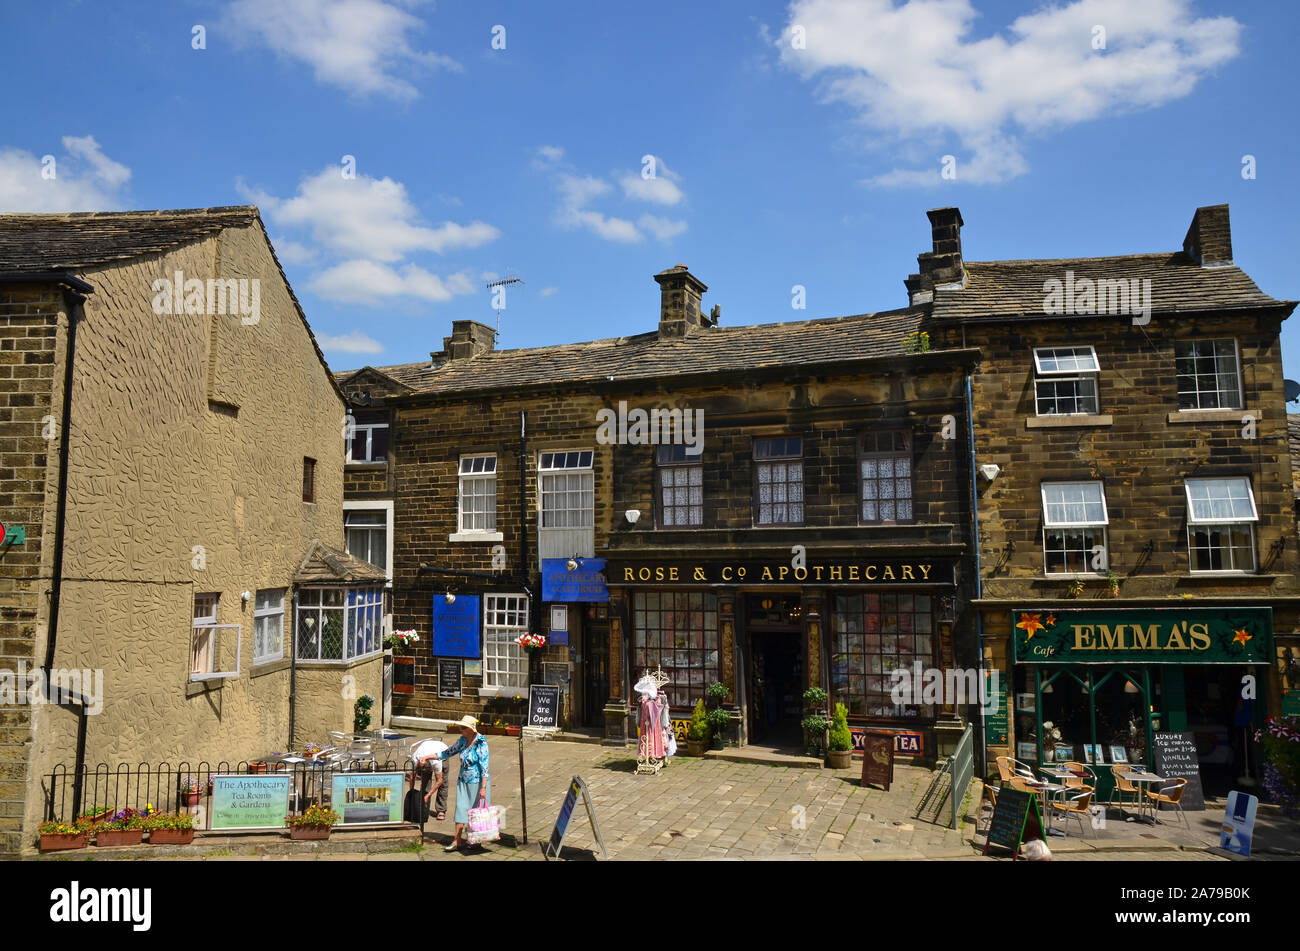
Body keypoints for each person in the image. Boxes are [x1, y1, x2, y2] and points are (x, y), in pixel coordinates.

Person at [439, 714, 491, 852]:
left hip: (478, 783)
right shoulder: (462, 740)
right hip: (463, 781)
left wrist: (483, 788)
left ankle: (476, 840)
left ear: (471, 729)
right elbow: (448, 752)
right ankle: (457, 840)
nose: (460, 730)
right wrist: (429, 756)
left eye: (463, 728)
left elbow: (485, 767)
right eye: (460, 727)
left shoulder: (481, 742)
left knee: (476, 812)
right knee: (460, 809)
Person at [409, 736, 449, 821]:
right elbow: (412, 777)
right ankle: (423, 808)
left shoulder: (436, 762)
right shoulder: (414, 759)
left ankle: (441, 810)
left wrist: (429, 794)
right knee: (425, 783)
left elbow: (439, 780)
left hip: (442, 752)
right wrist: (411, 792)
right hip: (427, 750)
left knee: (443, 784)